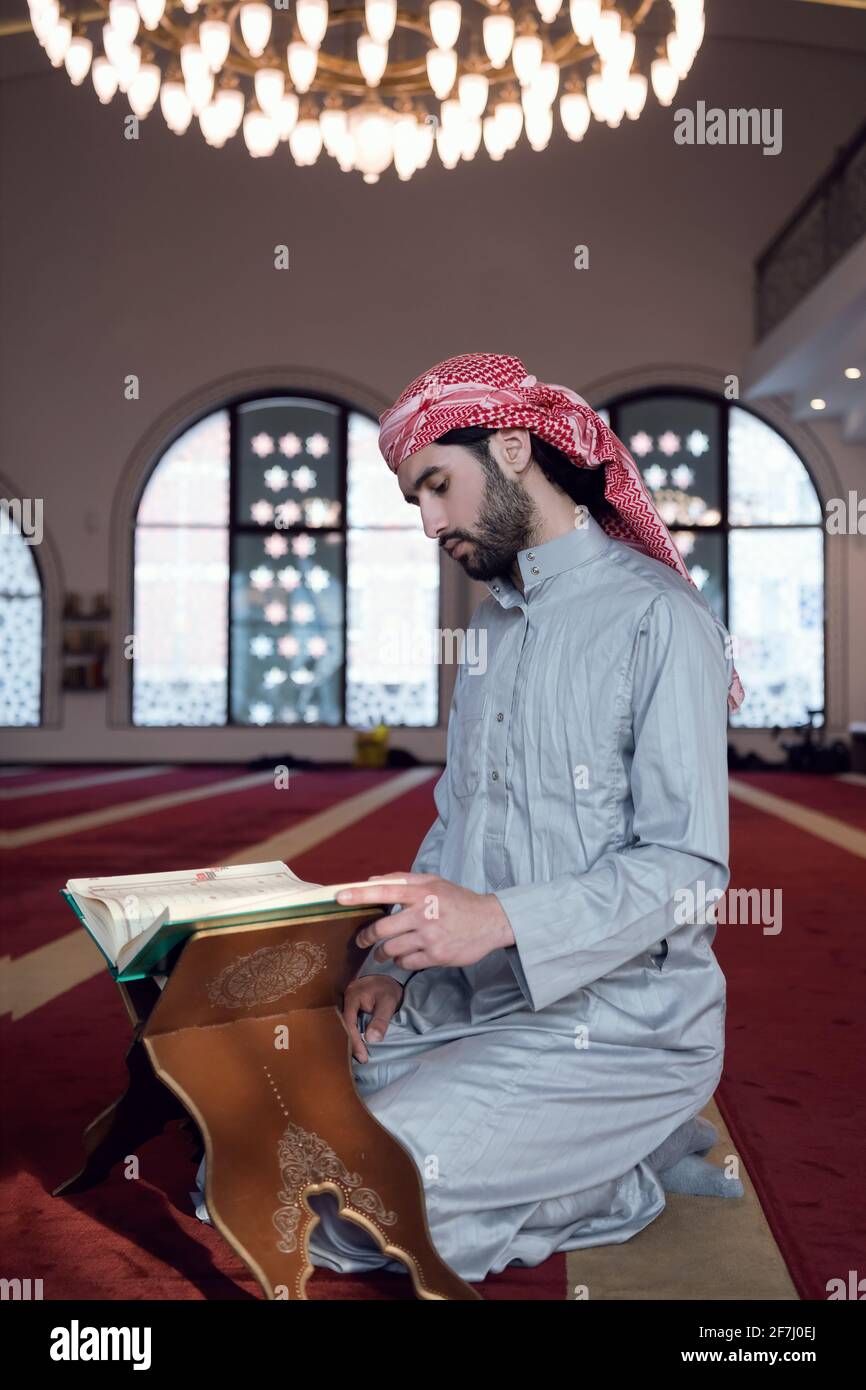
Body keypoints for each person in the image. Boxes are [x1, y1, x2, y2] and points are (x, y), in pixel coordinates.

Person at [194, 352, 746, 1280]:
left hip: (621, 1020)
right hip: (471, 997)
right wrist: (390, 965)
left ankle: (618, 1172)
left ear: (515, 446)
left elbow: (689, 870)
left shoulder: (659, 621)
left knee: (342, 1204)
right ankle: (589, 1149)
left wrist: (498, 920)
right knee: (235, 1147)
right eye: (417, 500)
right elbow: (459, 822)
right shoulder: (489, 630)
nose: (429, 523)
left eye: (438, 487)